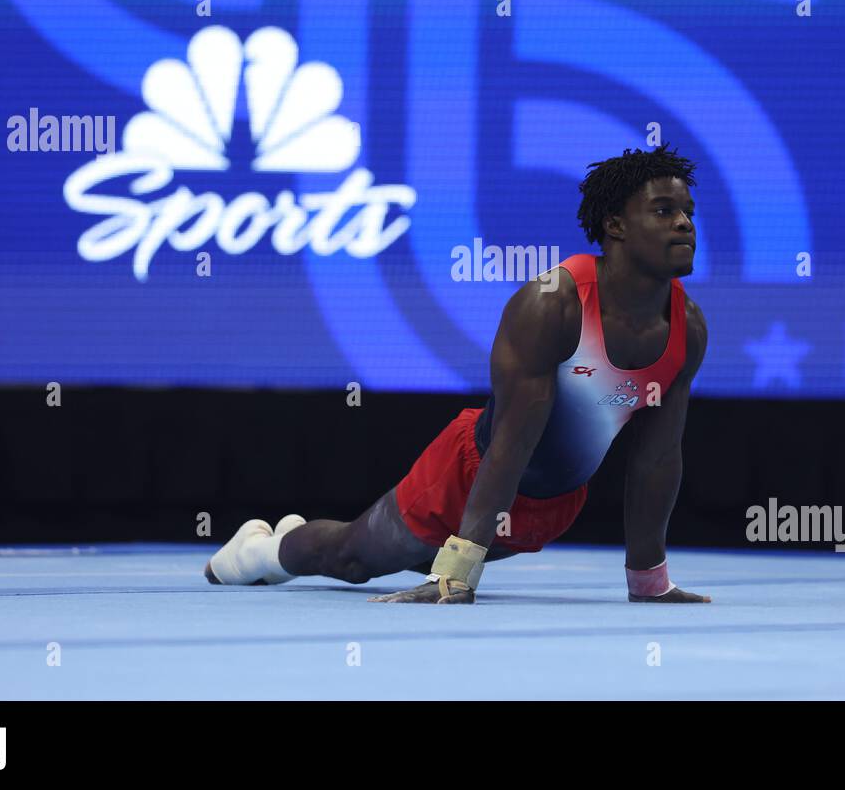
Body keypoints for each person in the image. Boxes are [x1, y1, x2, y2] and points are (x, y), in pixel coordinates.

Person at [205, 146, 711, 604]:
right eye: (664, 211)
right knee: (354, 561)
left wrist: (650, 582)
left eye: (687, 212)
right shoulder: (553, 304)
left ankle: (309, 537)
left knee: (422, 561)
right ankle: (260, 553)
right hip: (469, 475)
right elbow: (511, 444)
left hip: (555, 501)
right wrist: (460, 575)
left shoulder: (687, 326)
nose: (685, 224)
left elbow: (656, 458)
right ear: (616, 225)